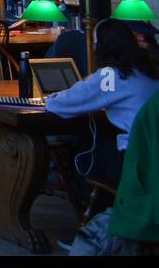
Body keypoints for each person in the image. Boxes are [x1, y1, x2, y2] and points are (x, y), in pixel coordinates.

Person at [46, 20, 159, 188]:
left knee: (83, 152)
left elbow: (60, 104)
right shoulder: (148, 69)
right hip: (152, 155)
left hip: (135, 160)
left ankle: (94, 207)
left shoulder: (111, 76)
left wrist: (51, 97)